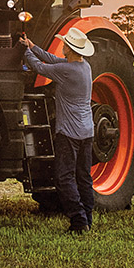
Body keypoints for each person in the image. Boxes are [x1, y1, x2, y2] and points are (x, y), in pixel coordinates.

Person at [19, 28, 95, 233]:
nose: (61, 46)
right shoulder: (83, 67)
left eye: (64, 44)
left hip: (69, 133)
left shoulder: (67, 71)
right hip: (87, 131)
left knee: (64, 178)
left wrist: (24, 50)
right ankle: (87, 218)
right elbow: (52, 59)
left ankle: (78, 221)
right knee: (84, 177)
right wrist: (33, 45)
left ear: (68, 49)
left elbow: (39, 68)